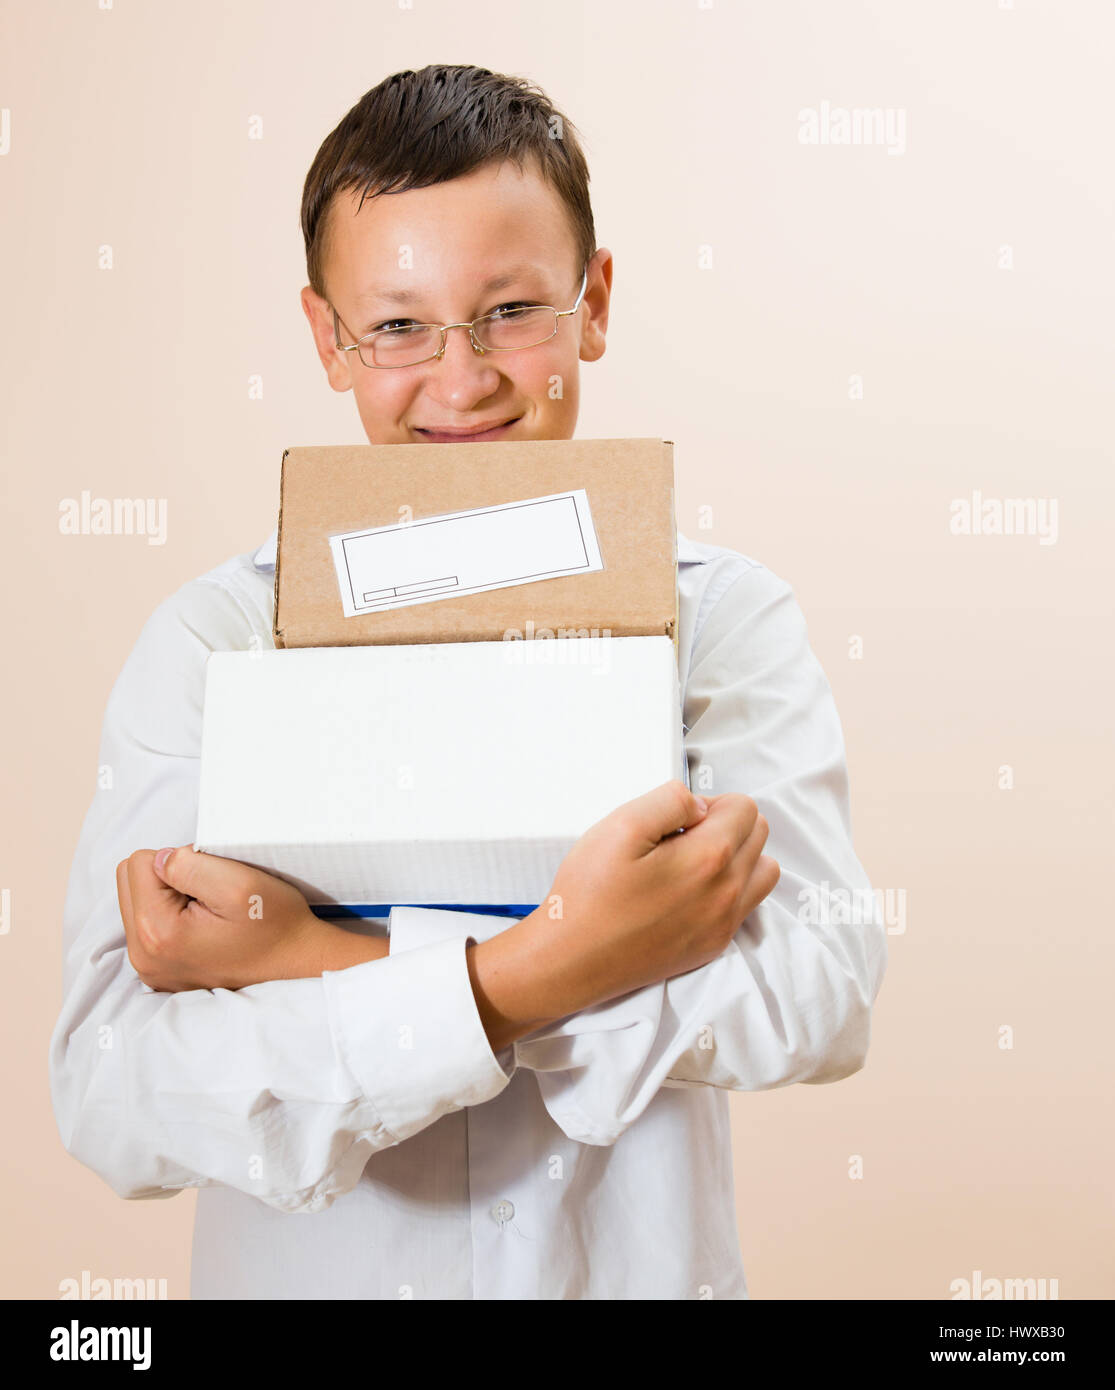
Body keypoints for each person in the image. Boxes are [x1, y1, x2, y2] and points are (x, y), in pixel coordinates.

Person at [49, 64, 887, 1300]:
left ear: (594, 303)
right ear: (327, 339)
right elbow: (118, 1094)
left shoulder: (718, 622)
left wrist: (310, 955)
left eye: (510, 310)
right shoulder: (219, 642)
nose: (461, 380)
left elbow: (812, 997)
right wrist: (560, 961)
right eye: (395, 325)